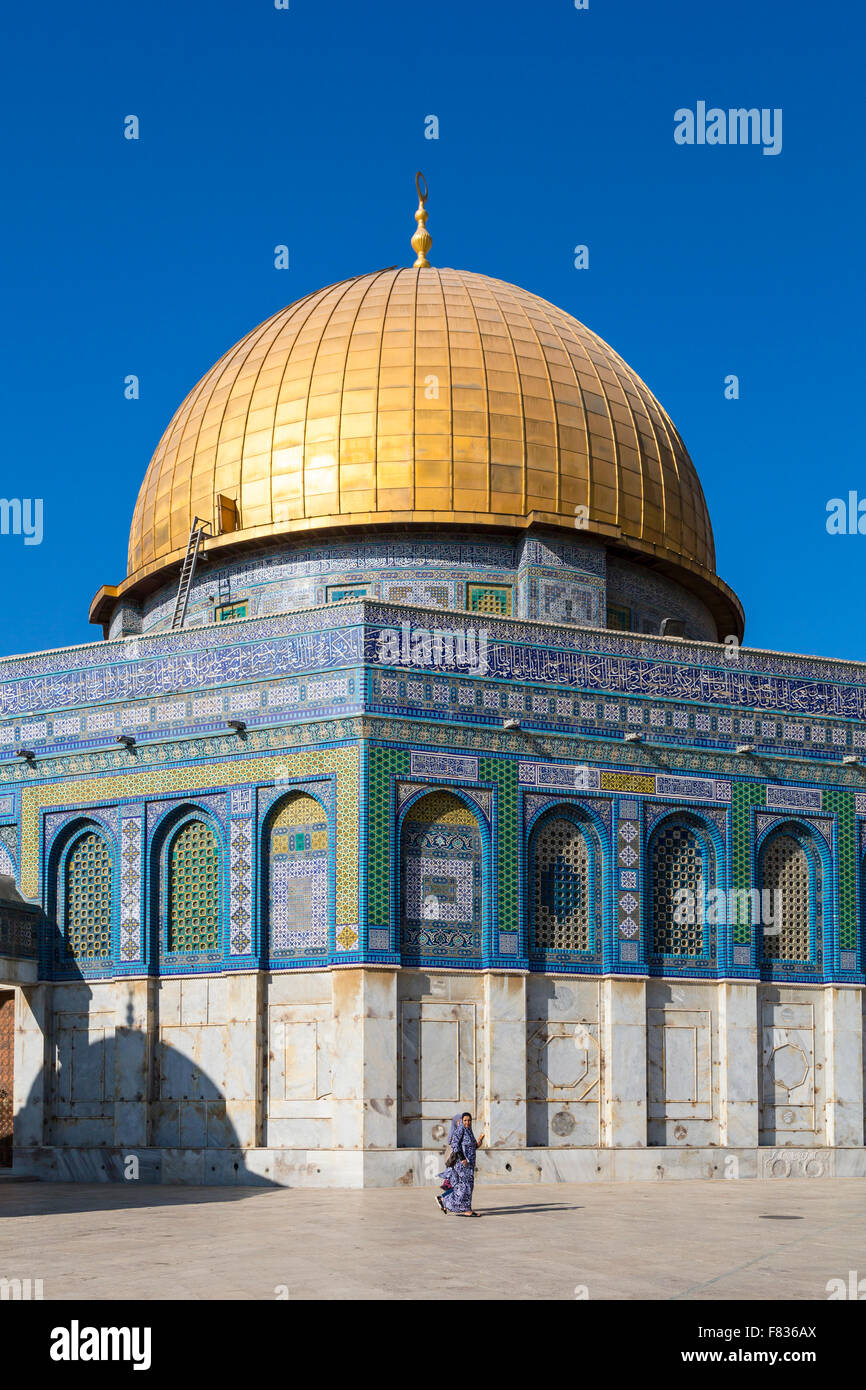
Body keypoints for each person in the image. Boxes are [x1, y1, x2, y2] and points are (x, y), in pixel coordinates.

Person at [436, 1113, 484, 1216]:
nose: (467, 1122)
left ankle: (466, 1209)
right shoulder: (460, 1130)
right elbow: (454, 1144)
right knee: (464, 1187)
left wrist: (479, 1142)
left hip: (470, 1165)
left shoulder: (469, 1131)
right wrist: (462, 1158)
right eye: (465, 1120)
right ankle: (446, 1202)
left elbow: (472, 1147)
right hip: (462, 1165)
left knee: (468, 1187)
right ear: (462, 1121)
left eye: (469, 1120)